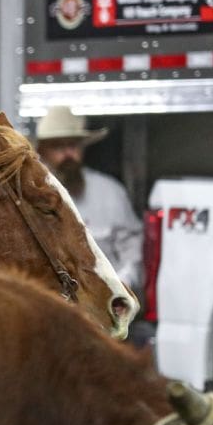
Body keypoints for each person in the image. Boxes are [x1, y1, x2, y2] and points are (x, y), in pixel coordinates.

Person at [33, 106, 142, 294]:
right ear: (42, 150)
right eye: (59, 146)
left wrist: (121, 287)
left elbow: (133, 253)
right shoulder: (29, 195)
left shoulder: (110, 192)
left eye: (73, 145)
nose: (68, 154)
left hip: (105, 305)